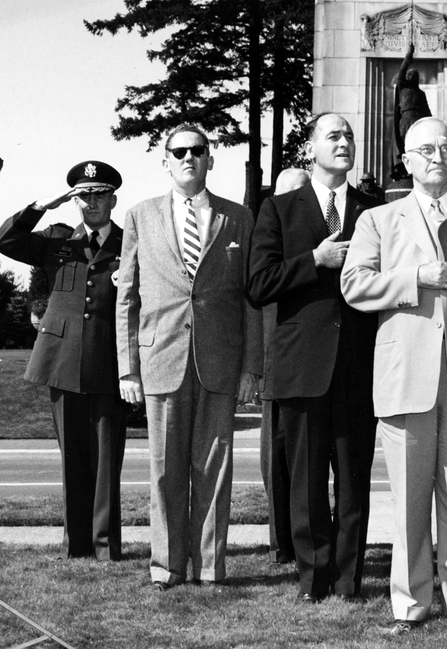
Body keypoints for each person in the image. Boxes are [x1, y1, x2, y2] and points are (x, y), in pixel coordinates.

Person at [341, 117, 447, 633]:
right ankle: (410, 605)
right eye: (426, 149)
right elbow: (355, 285)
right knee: (410, 503)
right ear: (408, 160)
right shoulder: (378, 219)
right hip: (404, 377)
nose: (437, 156)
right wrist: (418, 277)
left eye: (445, 147)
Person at [116, 124, 262, 589]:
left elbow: (250, 299)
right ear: (165, 161)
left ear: (209, 160)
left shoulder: (238, 218)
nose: (188, 158)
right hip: (161, 358)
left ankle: (211, 568)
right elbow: (128, 299)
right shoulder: (140, 216)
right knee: (164, 472)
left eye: (197, 151)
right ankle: (166, 565)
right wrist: (127, 367)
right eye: (178, 151)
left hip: (219, 361)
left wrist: (250, 367)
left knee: (214, 471)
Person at [248, 113, 384, 603]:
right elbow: (258, 284)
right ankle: (313, 579)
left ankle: (348, 581)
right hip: (301, 366)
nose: (344, 142)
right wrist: (313, 262)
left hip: (358, 366)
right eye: (333, 135)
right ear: (310, 149)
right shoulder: (278, 211)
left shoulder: (376, 210)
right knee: (305, 484)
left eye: (349, 135)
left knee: (353, 482)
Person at [0, 161, 127, 561]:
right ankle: (77, 547)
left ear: (113, 198)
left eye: (100, 194)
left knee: (107, 459)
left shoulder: (131, 241)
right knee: (73, 456)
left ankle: (106, 547)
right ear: (74, 201)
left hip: (109, 359)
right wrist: (42, 206)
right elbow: (5, 239)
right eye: (84, 195)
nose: (92, 202)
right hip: (63, 359)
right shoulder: (57, 239)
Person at [259, 167, 311, 565]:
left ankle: (307, 538)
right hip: (275, 364)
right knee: (276, 460)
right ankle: (282, 542)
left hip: (307, 361)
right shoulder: (268, 237)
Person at [394, 43, 432, 155]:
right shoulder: (403, 88)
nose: (413, 77)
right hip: (405, 121)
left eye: (415, 75)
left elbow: (427, 111)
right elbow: (402, 70)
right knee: (405, 147)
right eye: (410, 75)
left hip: (418, 121)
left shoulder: (421, 93)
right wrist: (409, 55)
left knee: (418, 147)